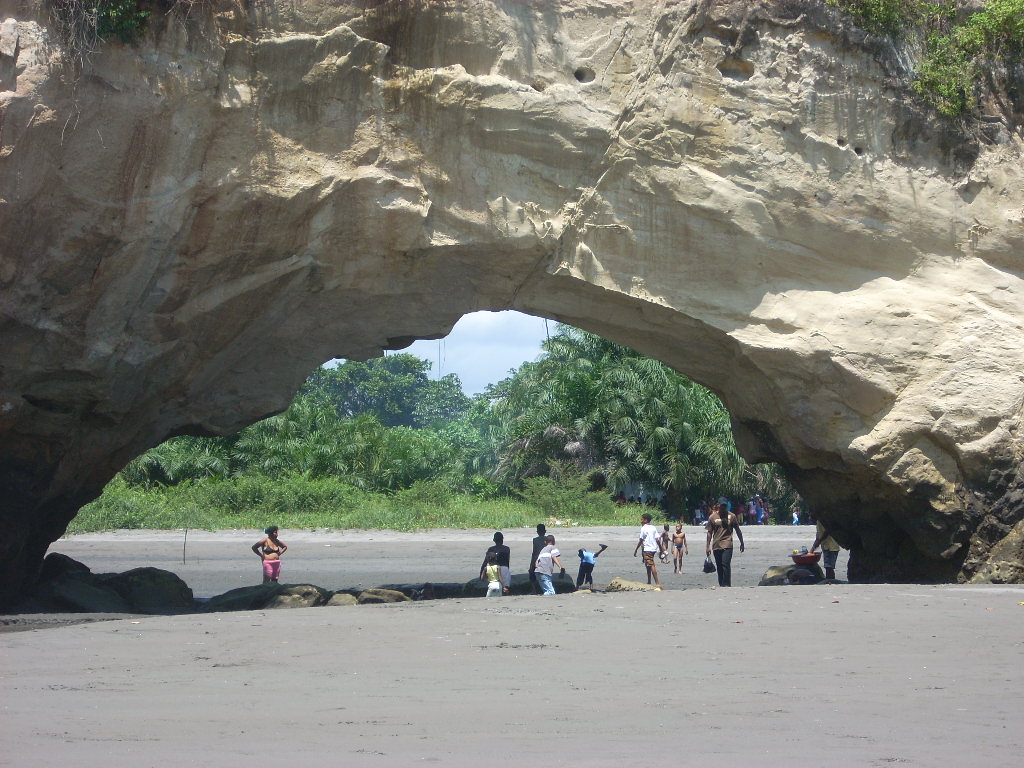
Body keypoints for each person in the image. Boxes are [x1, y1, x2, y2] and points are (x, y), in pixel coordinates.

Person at [705, 503, 744, 587]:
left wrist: (742, 542)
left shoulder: (732, 516)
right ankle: (721, 584)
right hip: (716, 545)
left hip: (727, 544)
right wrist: (707, 546)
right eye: (721, 506)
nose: (723, 508)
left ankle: (726, 584)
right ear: (718, 506)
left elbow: (737, 529)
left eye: (724, 506)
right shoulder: (712, 517)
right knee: (719, 566)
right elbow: (709, 532)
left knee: (725, 564)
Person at [633, 512, 664, 588]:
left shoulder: (643, 528)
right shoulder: (653, 527)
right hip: (653, 548)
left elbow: (641, 540)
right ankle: (649, 581)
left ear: (646, 520)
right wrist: (661, 549)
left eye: (642, 519)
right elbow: (657, 539)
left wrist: (636, 549)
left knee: (651, 564)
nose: (641, 521)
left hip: (647, 549)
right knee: (648, 565)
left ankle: (657, 583)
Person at [529, 523, 547, 594]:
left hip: (537, 559)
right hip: (546, 559)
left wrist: (531, 564)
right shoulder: (547, 539)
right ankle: (543, 588)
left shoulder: (535, 540)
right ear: (545, 531)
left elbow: (534, 552)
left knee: (531, 573)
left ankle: (534, 590)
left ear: (537, 531)